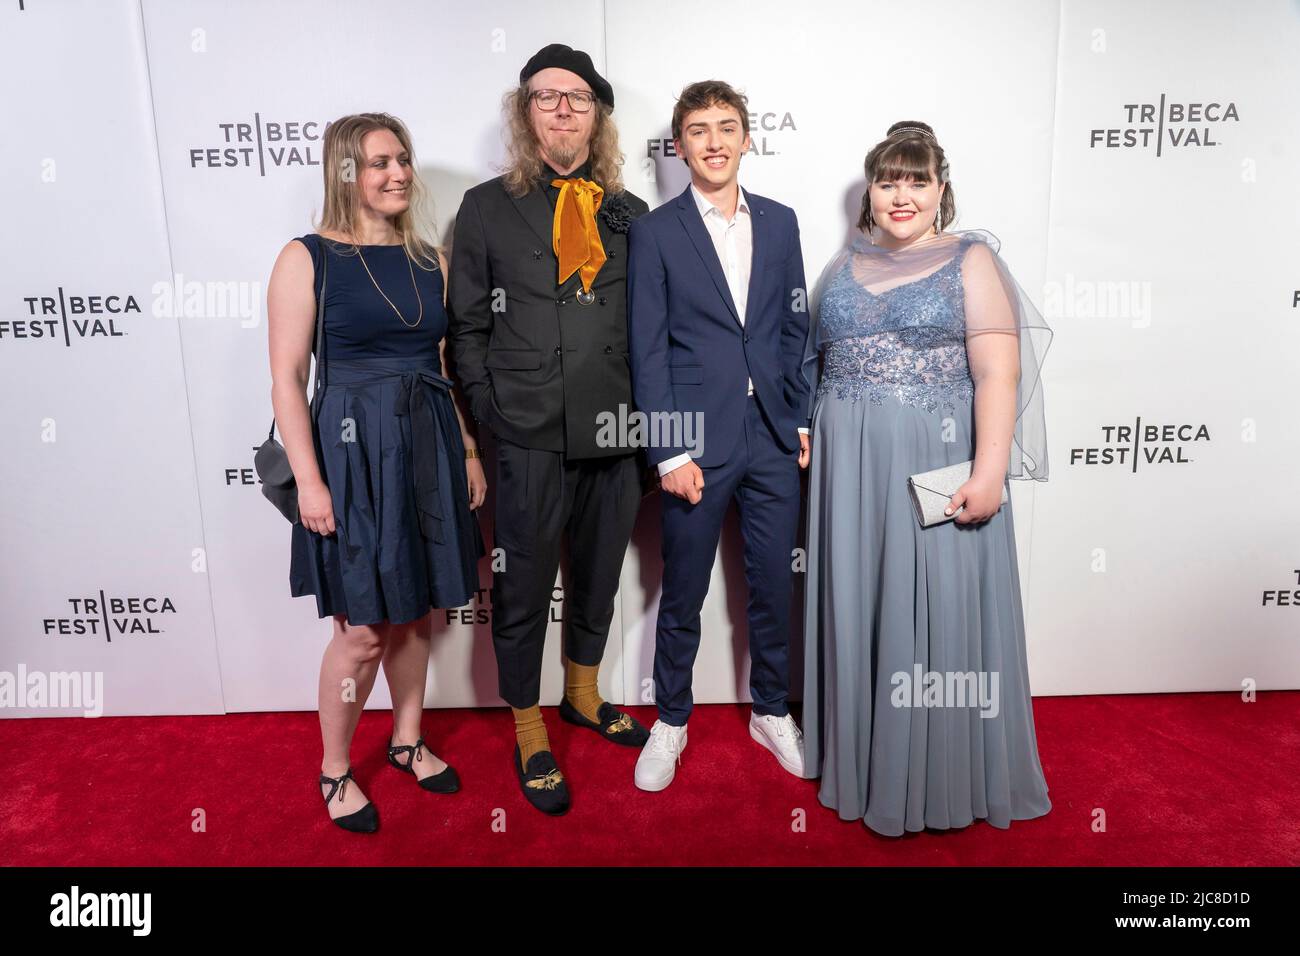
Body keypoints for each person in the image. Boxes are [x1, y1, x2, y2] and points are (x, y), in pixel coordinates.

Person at [800, 121, 1053, 836]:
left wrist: (990, 471)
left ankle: (935, 778)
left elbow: (997, 371)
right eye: (888, 181)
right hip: (850, 471)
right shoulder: (844, 262)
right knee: (864, 603)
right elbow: (815, 362)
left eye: (917, 180)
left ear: (941, 191)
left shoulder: (971, 260)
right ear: (870, 193)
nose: (901, 194)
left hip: (938, 461)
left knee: (936, 608)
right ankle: (865, 760)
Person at [267, 112, 485, 833]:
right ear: (345, 175)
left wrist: (470, 452)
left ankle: (407, 742)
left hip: (427, 444)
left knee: (416, 612)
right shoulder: (306, 258)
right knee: (361, 630)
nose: (396, 174)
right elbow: (286, 379)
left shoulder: (430, 260)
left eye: (402, 159)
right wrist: (309, 481)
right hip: (351, 457)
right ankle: (334, 770)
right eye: (378, 163)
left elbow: (443, 366)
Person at [447, 44, 651, 816]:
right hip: (527, 432)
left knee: (599, 573)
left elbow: (651, 324)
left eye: (577, 98)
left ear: (596, 115)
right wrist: (491, 410)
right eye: (545, 97)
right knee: (525, 586)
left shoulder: (628, 213)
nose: (562, 110)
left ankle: (583, 695)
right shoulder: (486, 207)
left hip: (618, 427)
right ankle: (528, 725)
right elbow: (465, 326)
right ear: (525, 112)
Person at [627, 80, 811, 792]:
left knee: (772, 587)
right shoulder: (655, 232)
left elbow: (794, 329)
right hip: (695, 446)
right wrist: (669, 450)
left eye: (726, 127)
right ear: (679, 146)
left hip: (770, 439)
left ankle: (771, 709)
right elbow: (647, 348)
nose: (713, 141)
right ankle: (670, 721)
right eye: (698, 130)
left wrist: (796, 417)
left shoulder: (782, 220)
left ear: (745, 137)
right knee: (684, 594)